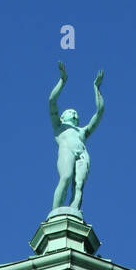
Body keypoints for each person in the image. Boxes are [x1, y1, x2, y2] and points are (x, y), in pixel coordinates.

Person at [49, 63, 104, 214]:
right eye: (70, 112)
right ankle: (55, 214)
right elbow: (52, 101)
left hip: (82, 154)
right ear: (63, 116)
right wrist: (62, 81)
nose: (74, 114)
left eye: (76, 113)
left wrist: (96, 89)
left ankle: (74, 211)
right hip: (67, 150)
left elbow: (99, 113)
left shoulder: (82, 132)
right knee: (66, 178)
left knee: (78, 186)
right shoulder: (59, 127)